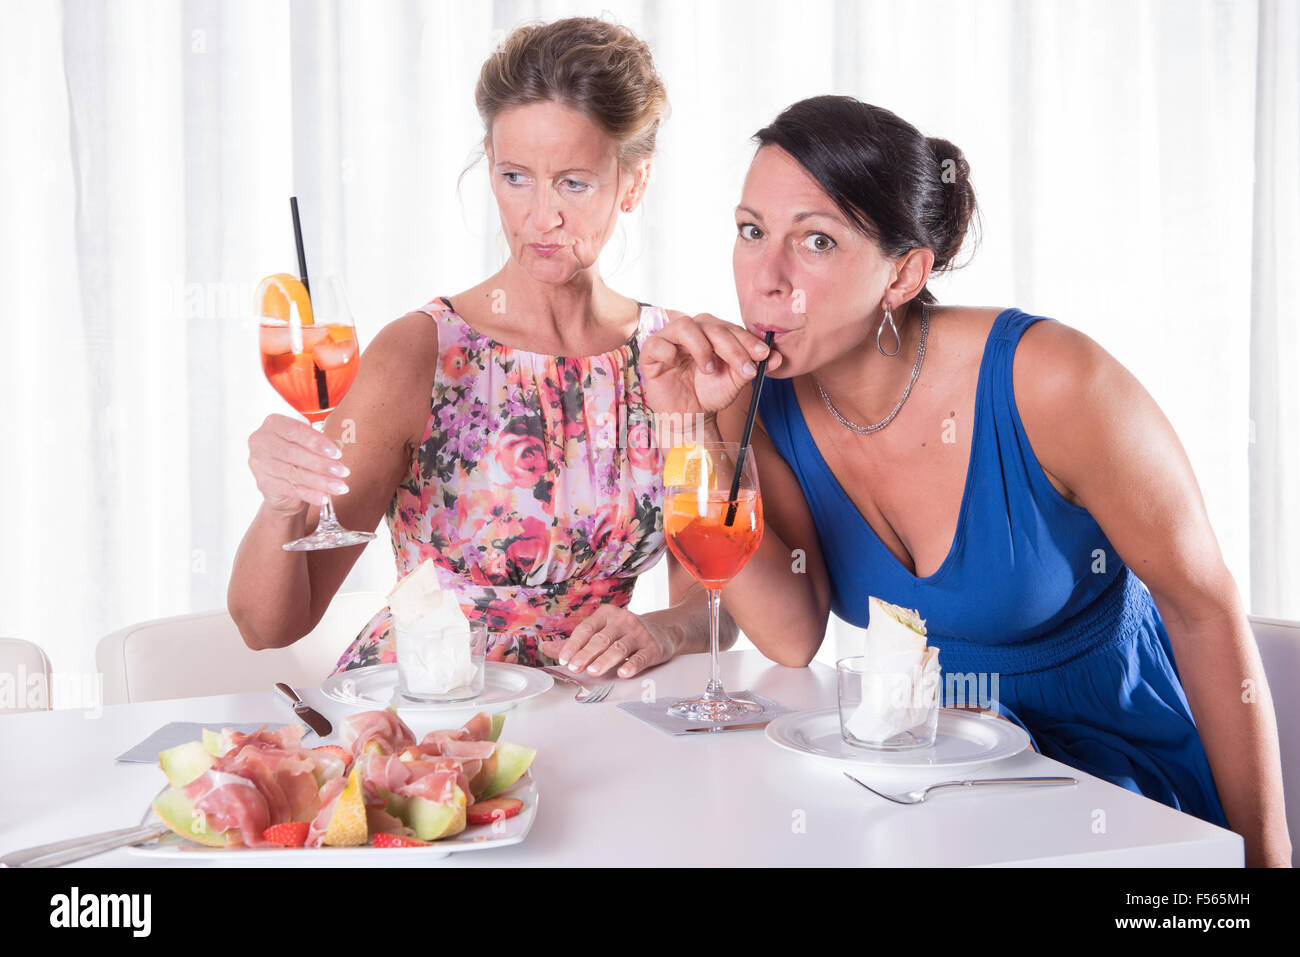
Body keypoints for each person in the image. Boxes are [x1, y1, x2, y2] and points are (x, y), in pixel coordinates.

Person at [640, 95, 1291, 867]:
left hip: (1113, 778)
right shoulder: (763, 397)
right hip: (933, 774)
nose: (767, 279)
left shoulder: (1052, 381)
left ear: (904, 273)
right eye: (752, 232)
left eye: (815, 240)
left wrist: (1265, 862)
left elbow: (1203, 610)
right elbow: (789, 633)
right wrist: (691, 429)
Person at [229, 17, 730, 679]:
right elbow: (267, 626)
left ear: (633, 182)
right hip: (426, 725)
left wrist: (661, 631)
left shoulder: (672, 358)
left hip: (596, 719)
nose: (541, 217)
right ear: (491, 168)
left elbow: (711, 592)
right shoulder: (422, 353)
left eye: (574, 183)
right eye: (516, 176)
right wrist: (282, 506)